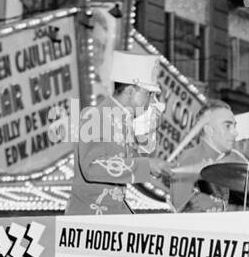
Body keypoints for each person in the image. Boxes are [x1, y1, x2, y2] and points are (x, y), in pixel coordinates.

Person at [66, 51, 172, 215]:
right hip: (88, 221)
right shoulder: (95, 116)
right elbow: (92, 167)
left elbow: (127, 165)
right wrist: (147, 165)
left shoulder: (125, 122)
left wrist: (158, 172)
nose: (151, 101)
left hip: (111, 218)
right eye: (148, 94)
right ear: (130, 91)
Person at [170, 102, 244, 212]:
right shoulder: (190, 159)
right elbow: (181, 210)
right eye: (228, 126)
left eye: (235, 126)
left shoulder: (237, 159)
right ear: (209, 130)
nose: (235, 133)